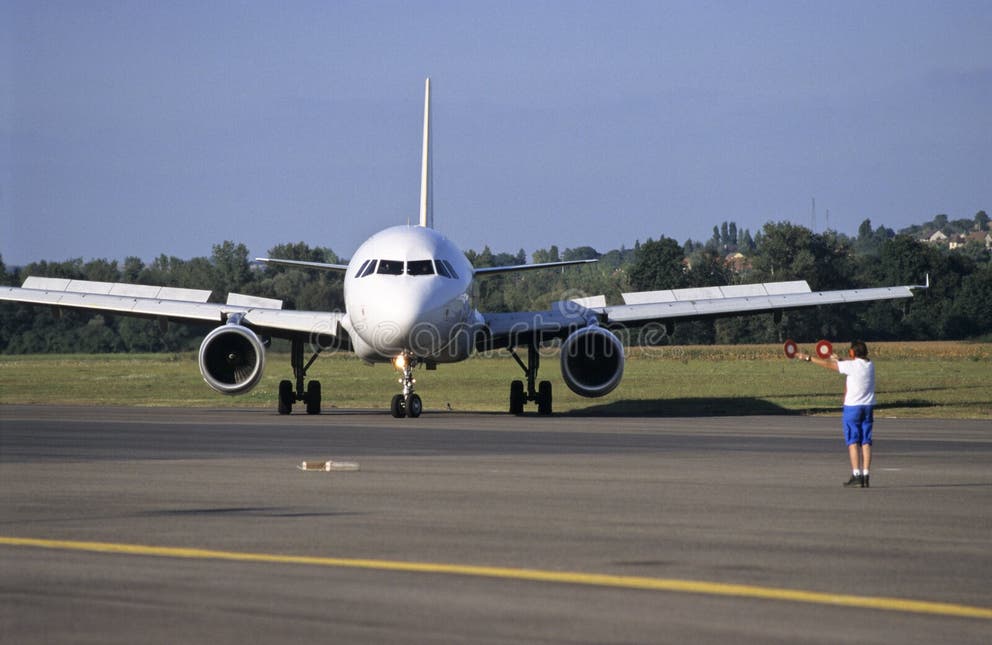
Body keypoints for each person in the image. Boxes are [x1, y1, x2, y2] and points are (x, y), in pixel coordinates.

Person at [797, 340, 875, 488]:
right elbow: (852, 366)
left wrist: (809, 358)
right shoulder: (870, 365)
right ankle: (866, 475)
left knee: (852, 442)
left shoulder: (851, 366)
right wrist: (839, 359)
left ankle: (856, 474)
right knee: (866, 441)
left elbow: (828, 365)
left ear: (852, 352)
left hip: (853, 407)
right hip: (868, 407)